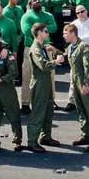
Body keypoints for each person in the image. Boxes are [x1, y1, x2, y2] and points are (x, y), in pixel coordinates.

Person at [62, 23, 89, 152]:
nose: (63, 36)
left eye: (65, 33)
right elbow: (64, 57)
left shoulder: (84, 47)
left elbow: (88, 67)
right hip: (75, 83)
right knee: (81, 110)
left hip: (84, 83)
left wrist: (86, 83)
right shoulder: (70, 48)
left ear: (73, 34)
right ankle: (86, 135)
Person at [24, 23, 59, 153]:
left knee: (48, 110)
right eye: (45, 31)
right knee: (38, 112)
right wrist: (56, 61)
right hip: (39, 83)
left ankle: (46, 136)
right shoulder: (35, 49)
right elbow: (43, 66)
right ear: (39, 33)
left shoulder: (42, 47)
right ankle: (32, 141)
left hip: (46, 82)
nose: (47, 33)